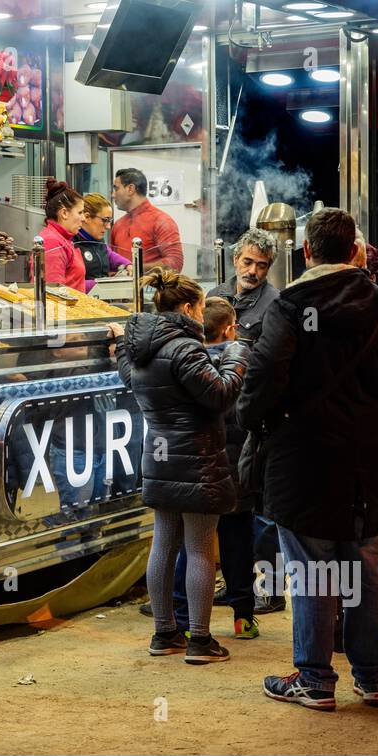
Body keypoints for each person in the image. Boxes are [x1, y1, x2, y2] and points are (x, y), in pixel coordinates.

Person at [237, 207, 378, 710]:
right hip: (366, 462)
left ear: (306, 252)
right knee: (366, 564)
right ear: (355, 251)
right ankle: (373, 677)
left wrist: (253, 422)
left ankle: (315, 680)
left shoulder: (291, 305)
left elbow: (262, 383)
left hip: (302, 461)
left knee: (311, 570)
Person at [112, 269, 250, 664]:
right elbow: (221, 395)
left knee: (163, 542)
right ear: (189, 307)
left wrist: (119, 346)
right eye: (202, 308)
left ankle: (164, 633)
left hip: (158, 458)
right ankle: (201, 641)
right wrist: (238, 354)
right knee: (201, 548)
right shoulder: (184, 348)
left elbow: (128, 374)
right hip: (197, 459)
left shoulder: (142, 349)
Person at [161, 296, 259, 640]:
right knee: (239, 546)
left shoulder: (186, 364)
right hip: (235, 472)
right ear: (231, 329)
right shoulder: (242, 364)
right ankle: (243, 618)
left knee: (193, 548)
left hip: (198, 470)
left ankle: (184, 621)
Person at [208, 229, 287, 614]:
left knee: (262, 512)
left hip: (257, 422)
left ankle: (269, 590)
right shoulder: (215, 297)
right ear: (235, 259)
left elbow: (276, 365)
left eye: (261, 265)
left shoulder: (276, 304)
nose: (253, 270)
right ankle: (238, 584)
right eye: (248, 262)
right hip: (222, 423)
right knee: (232, 513)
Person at [110, 168, 184, 273]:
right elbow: (111, 263)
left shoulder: (161, 221)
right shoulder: (118, 225)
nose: (113, 195)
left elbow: (174, 263)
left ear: (130, 189)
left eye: (116, 189)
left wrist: (133, 269)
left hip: (152, 288)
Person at [36, 179, 87, 291]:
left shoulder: (63, 239)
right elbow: (53, 293)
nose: (84, 219)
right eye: (80, 212)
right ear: (64, 213)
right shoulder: (52, 242)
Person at [74, 192, 131, 291]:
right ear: (87, 217)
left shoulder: (97, 240)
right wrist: (103, 285)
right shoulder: (72, 243)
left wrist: (128, 265)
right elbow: (70, 285)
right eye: (105, 220)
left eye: (110, 221)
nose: (108, 226)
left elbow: (108, 255)